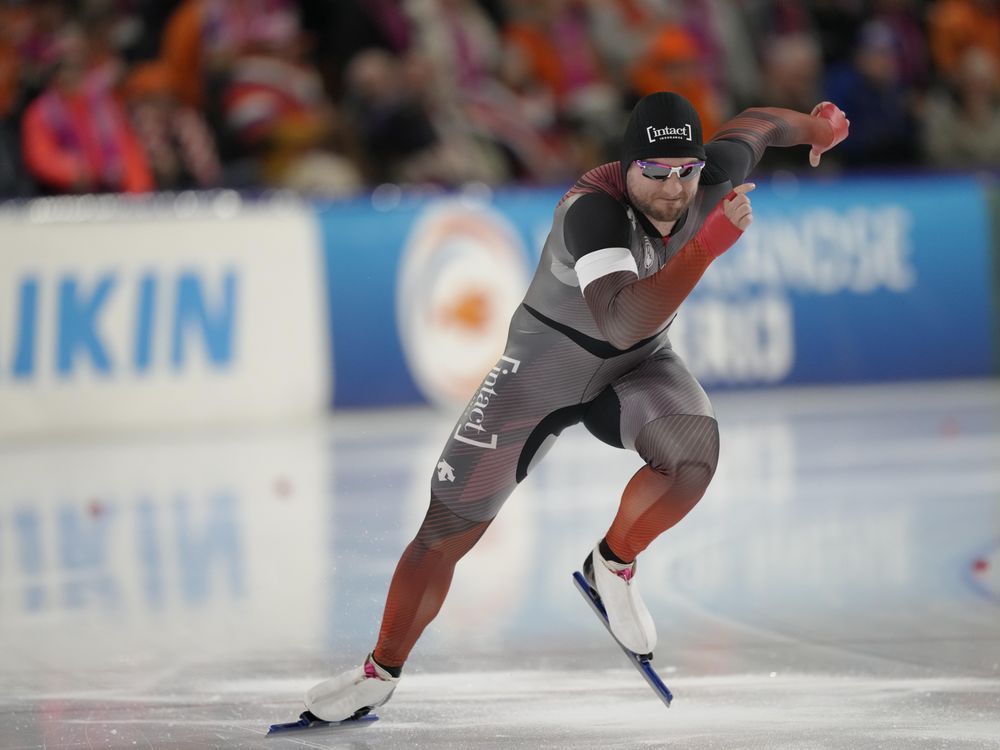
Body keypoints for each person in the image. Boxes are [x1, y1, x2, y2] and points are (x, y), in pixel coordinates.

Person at [303, 91, 849, 721]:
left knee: (694, 458)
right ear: (627, 167)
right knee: (446, 533)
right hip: (539, 375)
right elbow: (619, 320)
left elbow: (759, 125)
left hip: (637, 369)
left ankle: (610, 566)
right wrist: (710, 244)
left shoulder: (713, 174)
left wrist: (818, 129)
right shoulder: (593, 213)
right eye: (655, 174)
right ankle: (380, 671)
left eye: (686, 173)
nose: (674, 191)